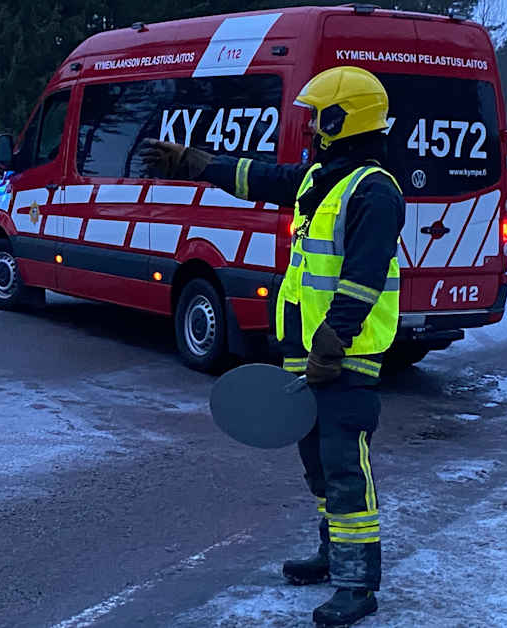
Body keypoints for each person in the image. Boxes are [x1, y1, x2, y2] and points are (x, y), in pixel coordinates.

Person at [141, 66, 403, 627]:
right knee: (316, 465)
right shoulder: (324, 176)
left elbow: (363, 279)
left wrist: (333, 341)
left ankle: (358, 585)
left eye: (316, 117)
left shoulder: (374, 190)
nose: (309, 126)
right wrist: (195, 163)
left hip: (345, 358)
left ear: (341, 120)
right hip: (309, 356)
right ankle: (333, 555)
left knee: (344, 466)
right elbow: (261, 178)